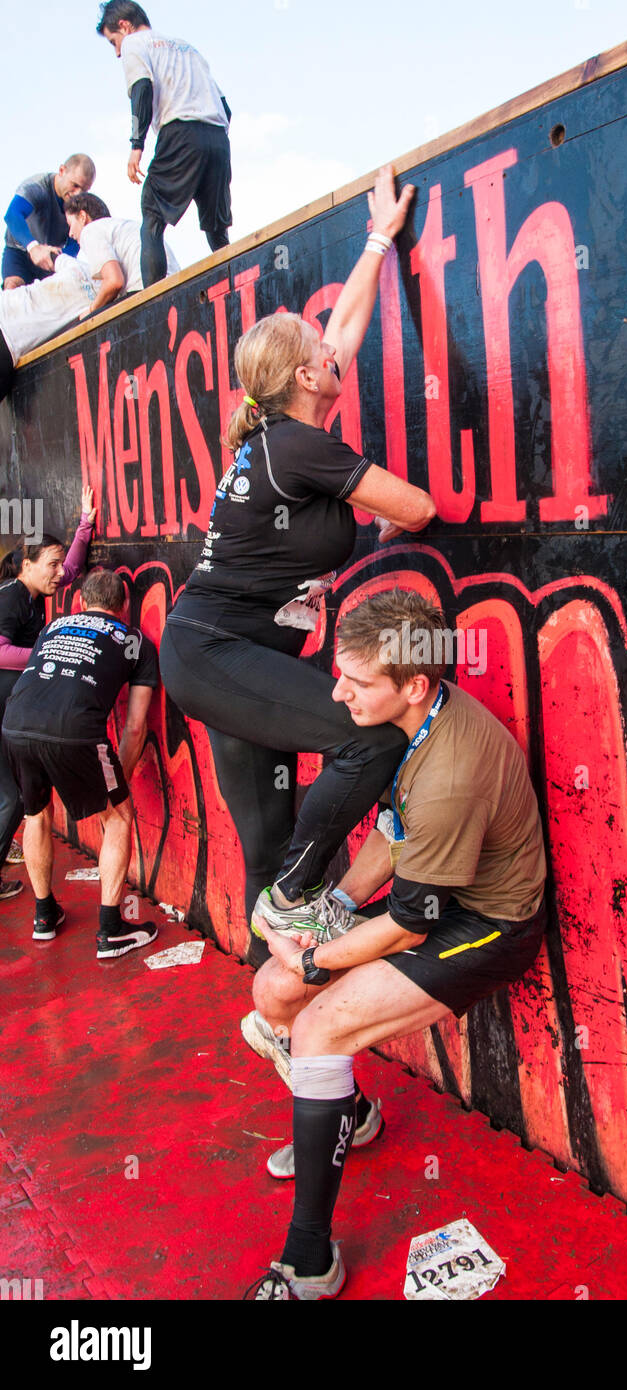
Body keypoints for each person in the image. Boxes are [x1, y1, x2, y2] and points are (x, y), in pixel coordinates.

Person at [242, 590, 548, 1300]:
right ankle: (350, 1116)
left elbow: (412, 923)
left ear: (413, 684)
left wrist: (316, 957)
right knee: (272, 992)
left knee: (316, 1023)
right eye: (339, 672)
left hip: (488, 925)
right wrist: (338, 907)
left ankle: (310, 1258)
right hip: (436, 895)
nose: (337, 691)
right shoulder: (401, 724)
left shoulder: (448, 773)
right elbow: (392, 830)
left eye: (356, 681)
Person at [159, 165, 436, 940]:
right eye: (321, 351)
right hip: (216, 652)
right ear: (306, 376)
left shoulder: (279, 434)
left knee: (263, 848)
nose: (334, 351)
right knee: (371, 734)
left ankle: (276, 1015)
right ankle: (300, 895)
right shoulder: (297, 446)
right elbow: (418, 507)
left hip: (219, 656)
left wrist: (380, 237)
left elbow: (343, 327)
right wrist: (384, 517)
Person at [1, 568, 160, 955]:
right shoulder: (136, 641)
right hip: (74, 731)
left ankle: (44, 917)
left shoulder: (52, 628)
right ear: (123, 606)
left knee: (36, 815)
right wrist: (115, 780)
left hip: (15, 722)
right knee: (118, 817)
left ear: (82, 603)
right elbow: (136, 728)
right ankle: (110, 929)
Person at [0, 490, 96, 899]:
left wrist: (85, 525)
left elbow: (71, 568)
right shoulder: (11, 597)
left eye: (58, 564)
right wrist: (45, 654)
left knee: (13, 799)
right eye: (50, 565)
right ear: (27, 565)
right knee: (11, 801)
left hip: (11, 714)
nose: (59, 573)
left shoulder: (35, 590)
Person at [96, 2, 232, 287]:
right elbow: (224, 106)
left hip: (180, 133)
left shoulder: (135, 43)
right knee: (216, 227)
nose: (117, 52)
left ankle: (155, 300)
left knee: (152, 214)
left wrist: (137, 145)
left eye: (113, 42)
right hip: (217, 136)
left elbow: (142, 89)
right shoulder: (187, 48)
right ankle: (234, 280)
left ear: (124, 25)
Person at [64, 191, 179, 316]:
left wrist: (91, 311)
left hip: (145, 291)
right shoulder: (119, 226)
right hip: (174, 286)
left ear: (82, 217)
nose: (70, 233)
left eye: (70, 224)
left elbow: (114, 282)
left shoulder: (90, 231)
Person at [0, 254, 96, 402]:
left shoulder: (75, 265)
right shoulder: (74, 263)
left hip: (11, 337)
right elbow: (50, 257)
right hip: (9, 328)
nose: (71, 234)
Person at [2, 156, 96, 289]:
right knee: (12, 288)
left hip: (51, 257)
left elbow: (75, 243)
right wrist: (33, 247)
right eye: (74, 185)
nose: (77, 194)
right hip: (20, 251)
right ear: (62, 170)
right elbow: (12, 215)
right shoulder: (37, 187)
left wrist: (60, 259)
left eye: (84, 190)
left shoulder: (79, 205)